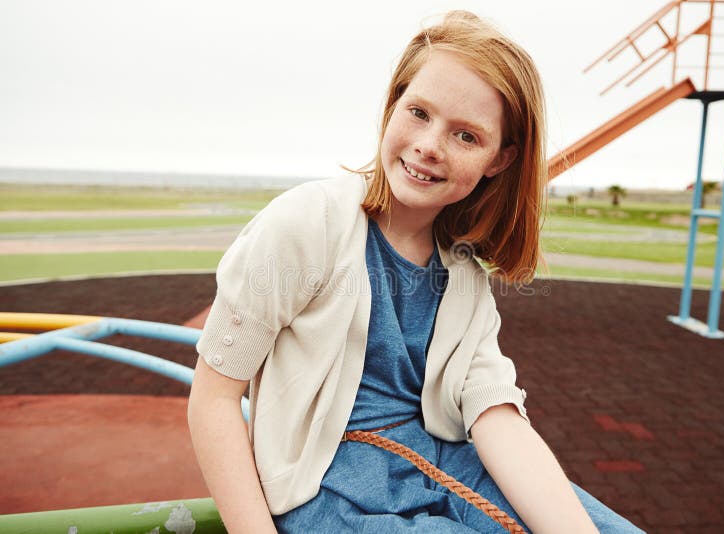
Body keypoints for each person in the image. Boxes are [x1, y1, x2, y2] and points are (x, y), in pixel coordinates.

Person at [187, 10, 645, 534]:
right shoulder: (305, 225)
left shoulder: (464, 273)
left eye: (466, 136)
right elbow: (214, 399)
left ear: (500, 159)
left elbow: (493, 412)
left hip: (445, 464)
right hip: (330, 487)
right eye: (420, 112)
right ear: (392, 106)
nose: (430, 145)